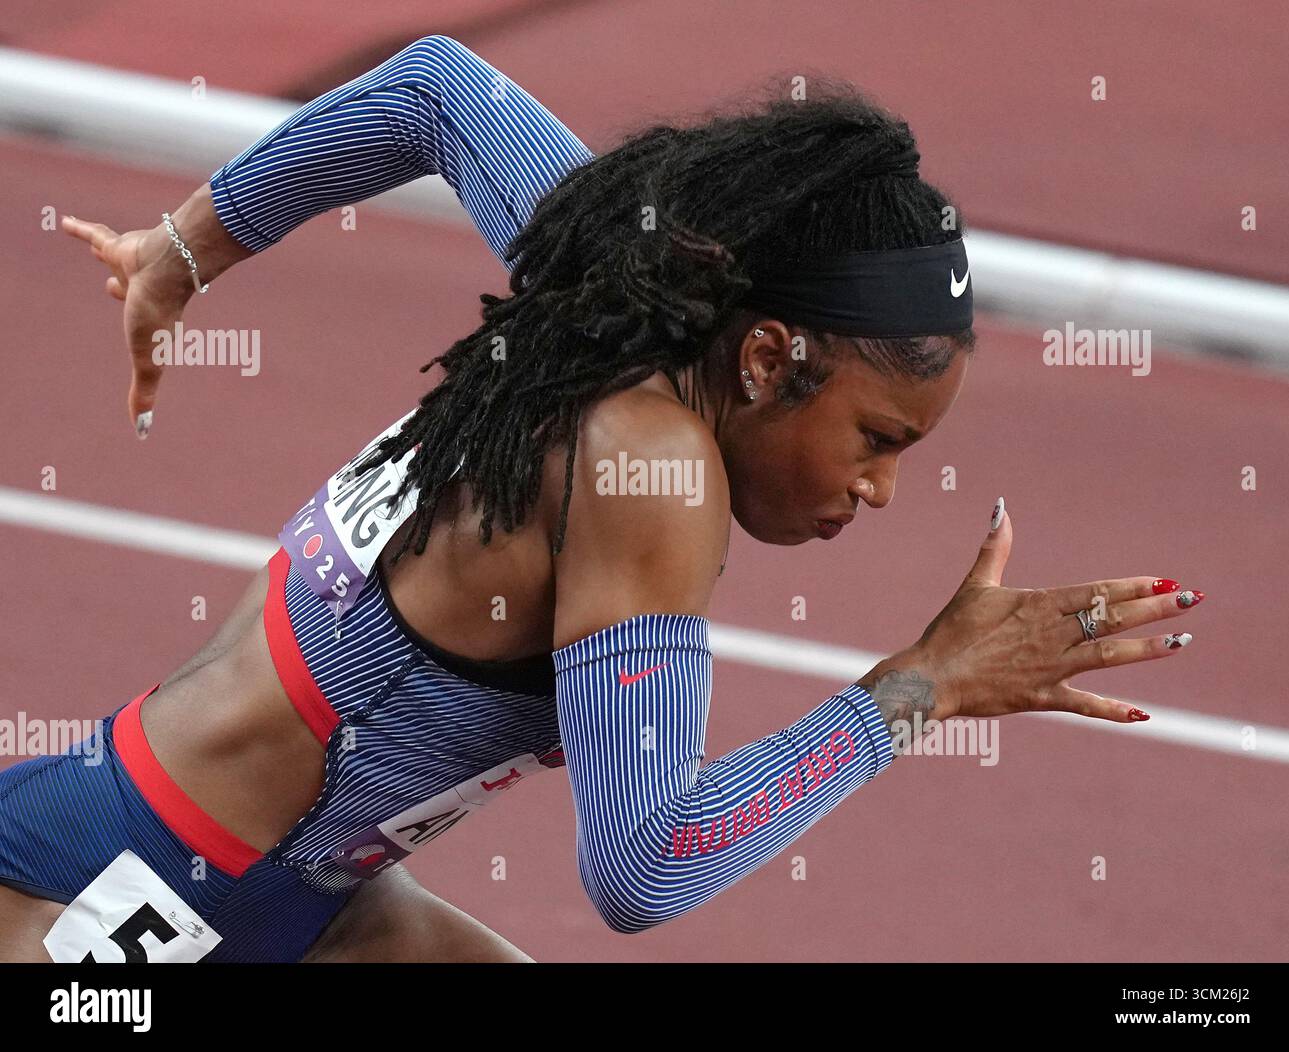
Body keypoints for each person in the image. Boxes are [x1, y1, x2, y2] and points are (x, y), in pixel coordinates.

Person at [0, 36, 1201, 963]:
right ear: (769, 356)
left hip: (310, 893)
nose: (879, 490)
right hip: (118, 886)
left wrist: (181, 248)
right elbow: (646, 863)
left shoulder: (605, 272)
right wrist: (914, 691)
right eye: (876, 439)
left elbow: (432, 91)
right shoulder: (658, 476)